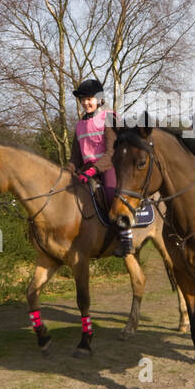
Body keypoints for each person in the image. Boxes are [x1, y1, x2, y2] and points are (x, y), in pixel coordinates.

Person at [71, 78, 133, 257]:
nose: (85, 103)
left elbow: (111, 152)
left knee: (111, 194)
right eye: (82, 99)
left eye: (89, 99)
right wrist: (66, 172)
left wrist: (94, 169)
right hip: (86, 169)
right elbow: (75, 157)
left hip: (108, 166)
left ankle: (125, 237)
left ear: (99, 99)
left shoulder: (107, 119)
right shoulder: (79, 125)